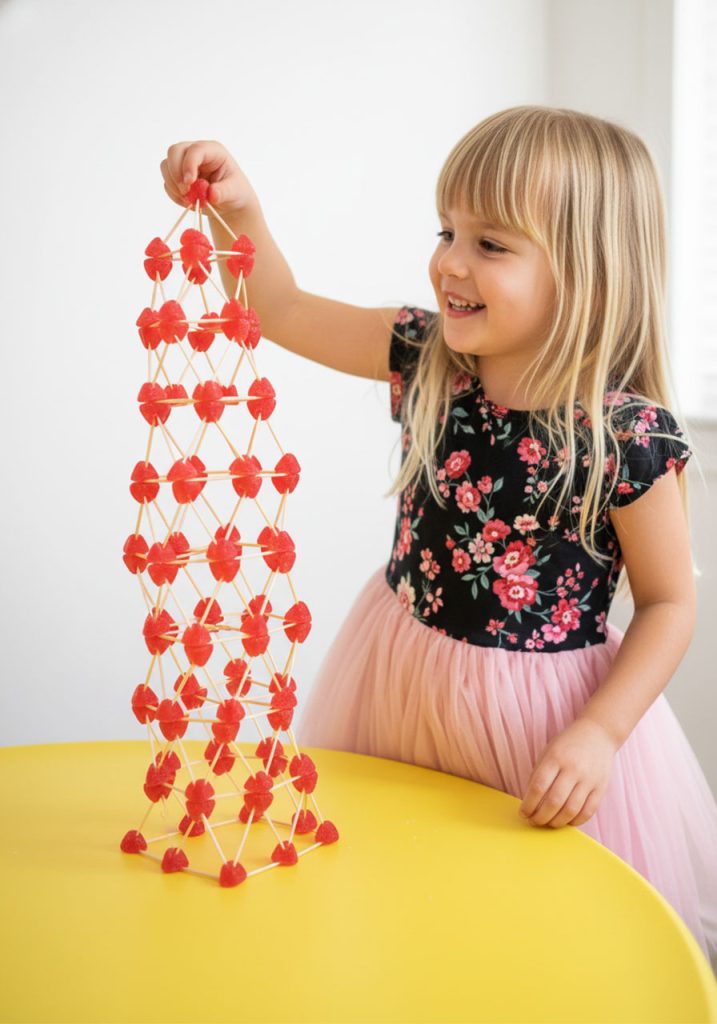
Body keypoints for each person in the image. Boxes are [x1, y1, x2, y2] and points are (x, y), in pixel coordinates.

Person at [160, 106, 717, 967]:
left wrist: (601, 732)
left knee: (524, 937)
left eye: (491, 244)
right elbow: (278, 307)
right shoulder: (427, 357)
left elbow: (670, 603)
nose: (449, 261)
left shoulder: (630, 437)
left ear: (587, 272)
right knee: (401, 908)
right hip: (399, 679)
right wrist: (242, 212)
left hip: (539, 720)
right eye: (447, 229)